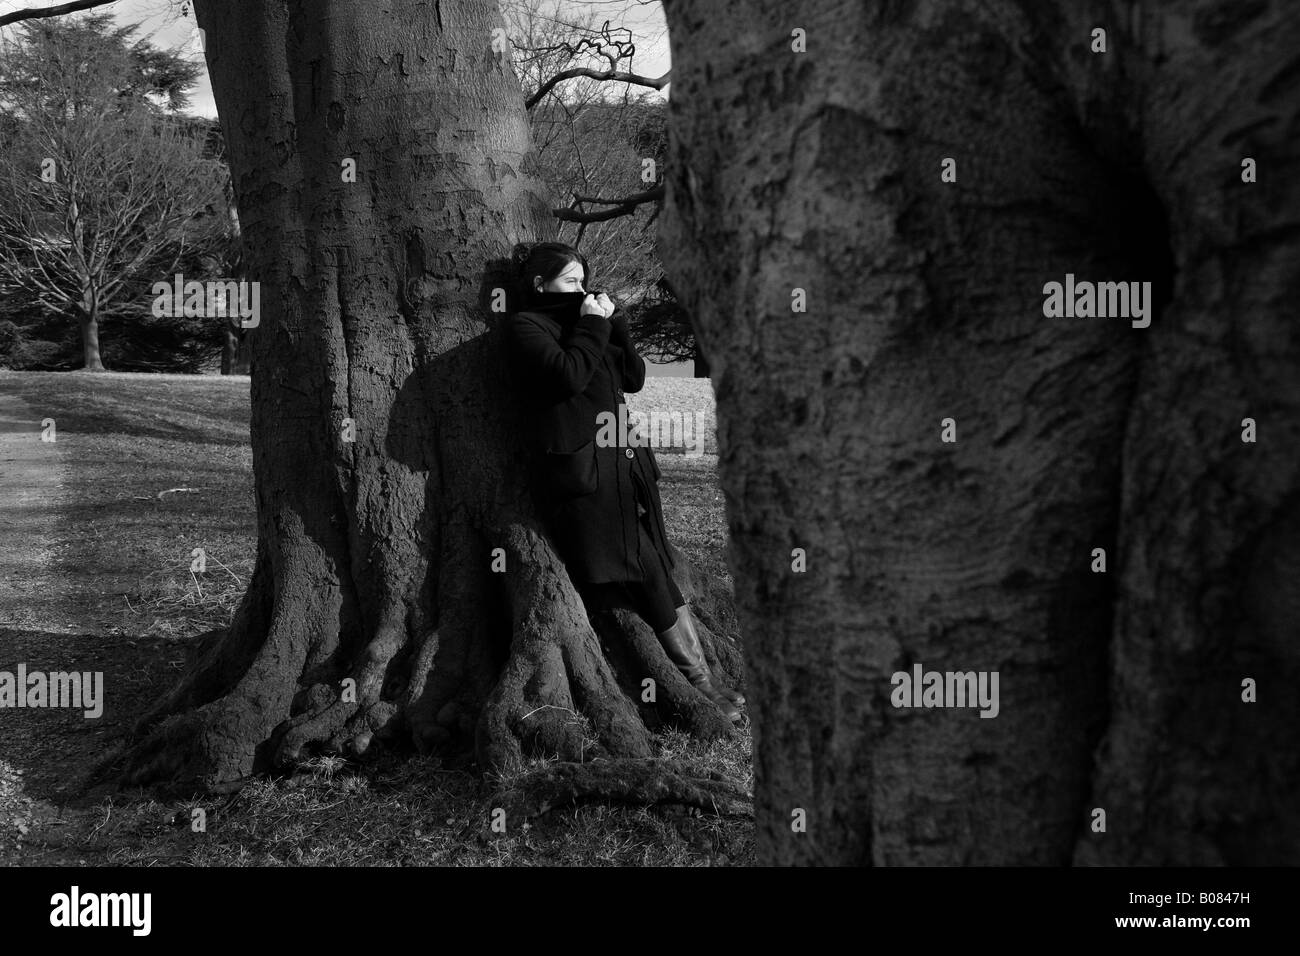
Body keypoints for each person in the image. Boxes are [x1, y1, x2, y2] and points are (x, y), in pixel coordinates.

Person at [501, 240, 744, 723]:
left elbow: (631, 379)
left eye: (584, 281)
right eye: (571, 281)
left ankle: (700, 680)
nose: (582, 290)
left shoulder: (584, 323)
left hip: (627, 465)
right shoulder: (527, 327)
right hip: (584, 476)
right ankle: (699, 686)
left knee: (655, 562)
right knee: (642, 569)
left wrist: (617, 327)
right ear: (540, 284)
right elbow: (566, 377)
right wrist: (592, 324)